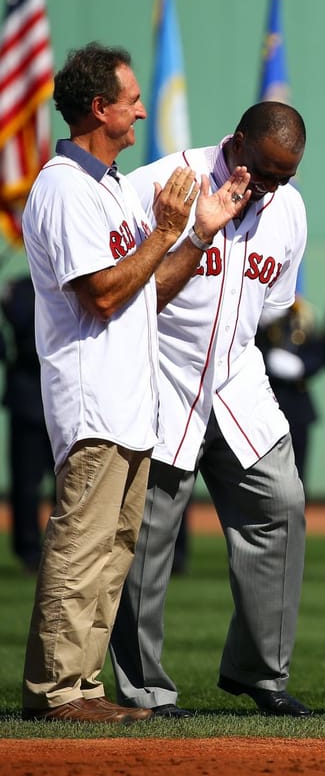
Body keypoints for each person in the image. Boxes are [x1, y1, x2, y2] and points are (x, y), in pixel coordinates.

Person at [20, 42, 248, 723]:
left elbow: (147, 294)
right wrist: (164, 231)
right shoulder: (63, 188)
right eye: (132, 100)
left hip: (129, 405)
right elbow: (103, 296)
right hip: (92, 401)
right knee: (80, 548)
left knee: (113, 553)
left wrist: (196, 238)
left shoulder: (113, 188)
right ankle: (56, 693)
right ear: (100, 108)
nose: (143, 111)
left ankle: (84, 687)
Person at [110, 101, 311, 719]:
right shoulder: (164, 183)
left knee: (281, 507)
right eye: (266, 168)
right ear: (238, 141)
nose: (274, 184)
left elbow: (270, 306)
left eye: (287, 175)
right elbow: (128, 288)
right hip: (164, 381)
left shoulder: (289, 211)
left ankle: (260, 673)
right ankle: (145, 687)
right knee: (147, 541)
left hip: (237, 382)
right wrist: (195, 233)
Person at [1, 274, 54, 575]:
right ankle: (29, 552)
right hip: (28, 399)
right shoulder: (19, 288)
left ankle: (64, 549)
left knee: (70, 485)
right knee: (26, 484)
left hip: (62, 399)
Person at [257, 294, 323, 482]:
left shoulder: (300, 315)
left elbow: (319, 351)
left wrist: (302, 366)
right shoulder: (256, 316)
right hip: (262, 404)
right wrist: (260, 330)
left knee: (297, 473)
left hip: (296, 405)